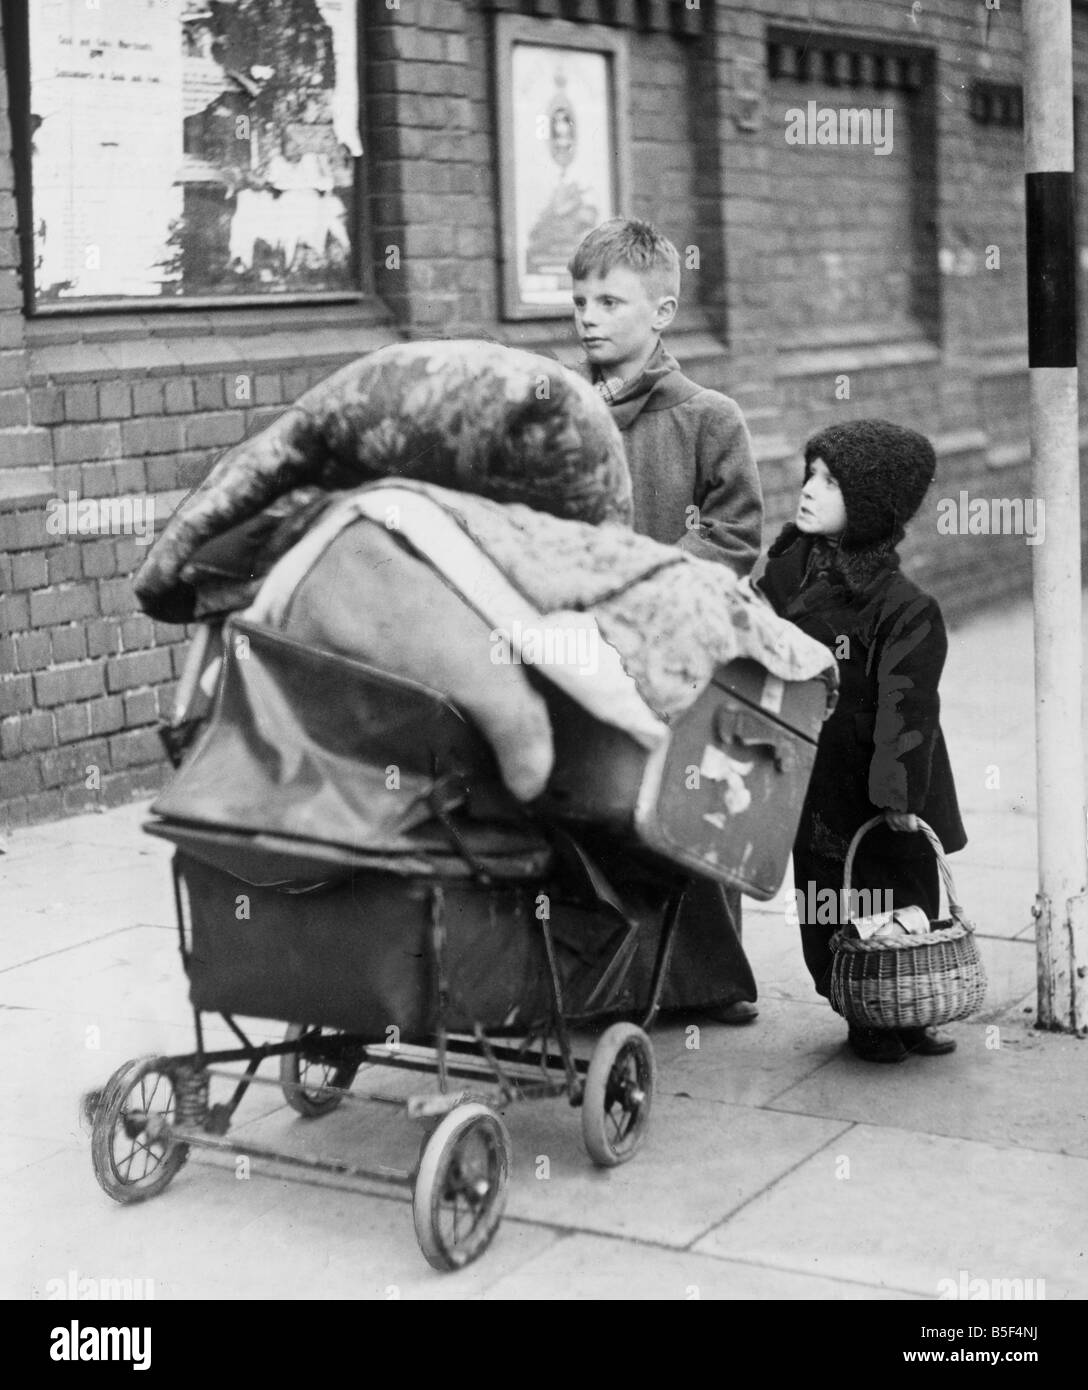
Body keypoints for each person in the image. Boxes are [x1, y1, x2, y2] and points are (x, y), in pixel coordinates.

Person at [568, 217, 764, 1025]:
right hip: (582, 645)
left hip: (679, 652)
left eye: (610, 300)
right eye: (579, 299)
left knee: (690, 808)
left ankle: (709, 980)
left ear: (663, 311)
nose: (588, 315)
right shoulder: (561, 410)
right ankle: (600, 979)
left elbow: (734, 532)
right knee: (590, 806)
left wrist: (649, 584)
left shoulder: (708, 416)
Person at [755, 419, 967, 1062]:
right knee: (827, 894)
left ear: (871, 505)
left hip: (885, 780)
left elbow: (908, 706)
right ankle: (862, 1008)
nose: (810, 490)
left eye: (831, 481)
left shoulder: (901, 605)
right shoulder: (786, 572)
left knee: (900, 892)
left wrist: (897, 793)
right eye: (810, 474)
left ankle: (911, 999)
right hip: (817, 776)